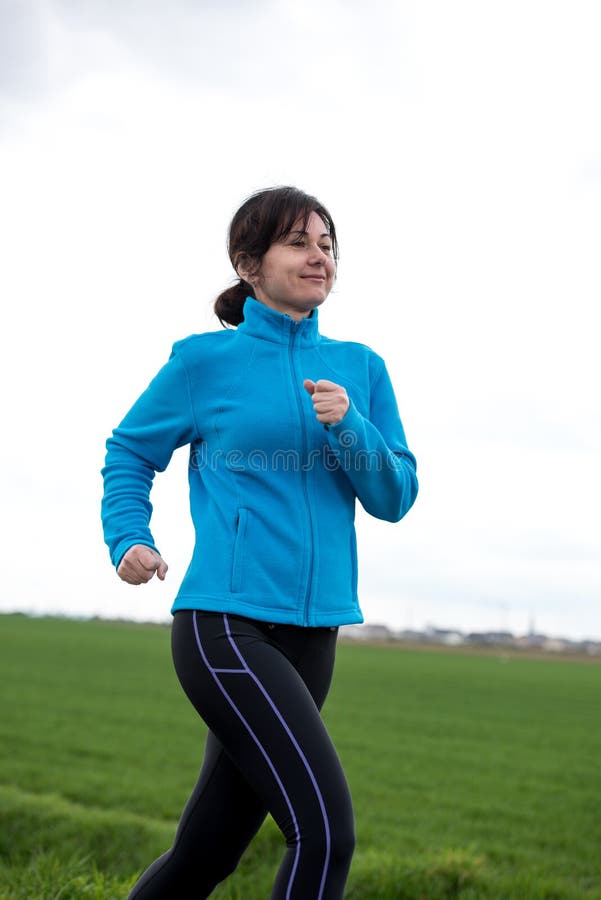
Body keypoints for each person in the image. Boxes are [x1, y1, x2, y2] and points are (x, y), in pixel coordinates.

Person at [101, 185, 418, 899]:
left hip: (315, 634)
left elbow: (394, 496)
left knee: (205, 854)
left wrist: (350, 426)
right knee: (325, 834)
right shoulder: (203, 362)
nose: (318, 256)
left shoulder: (361, 367)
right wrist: (127, 537)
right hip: (226, 623)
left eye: (327, 244)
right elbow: (129, 451)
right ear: (248, 265)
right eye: (298, 243)